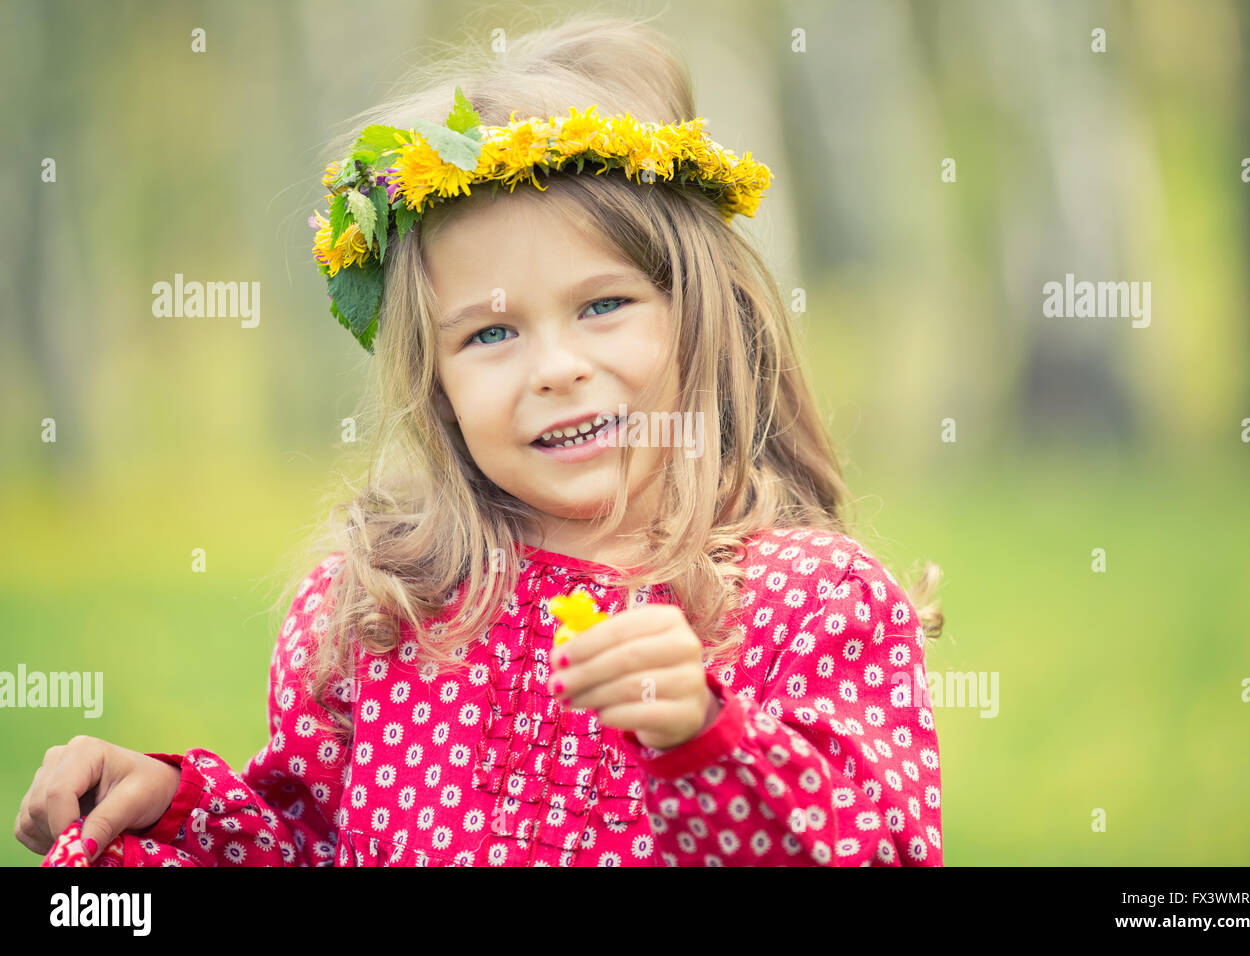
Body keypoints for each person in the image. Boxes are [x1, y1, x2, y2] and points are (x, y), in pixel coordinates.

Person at [18, 13, 945, 867]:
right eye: (491, 333)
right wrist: (172, 809)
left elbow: (880, 845)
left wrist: (705, 734)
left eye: (604, 305)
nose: (555, 367)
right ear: (439, 384)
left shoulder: (807, 605)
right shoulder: (377, 614)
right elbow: (309, 841)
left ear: (695, 315)